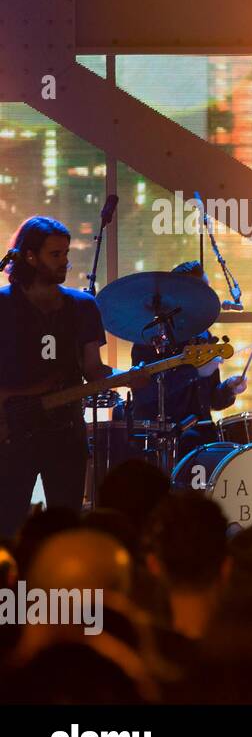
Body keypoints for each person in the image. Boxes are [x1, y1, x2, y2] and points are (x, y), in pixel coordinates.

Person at [0, 216, 119, 537]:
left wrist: (128, 376)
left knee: (65, 527)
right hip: (11, 432)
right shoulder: (3, 305)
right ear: (29, 256)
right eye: (55, 255)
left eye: (66, 253)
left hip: (65, 431)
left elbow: (93, 369)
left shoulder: (82, 306)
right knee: (6, 525)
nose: (65, 261)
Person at [128, 260, 246, 457]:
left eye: (208, 291)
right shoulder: (150, 339)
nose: (206, 298)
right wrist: (193, 372)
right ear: (179, 295)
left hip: (201, 438)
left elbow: (211, 402)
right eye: (201, 292)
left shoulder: (204, 336)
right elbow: (145, 396)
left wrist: (228, 389)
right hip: (162, 440)